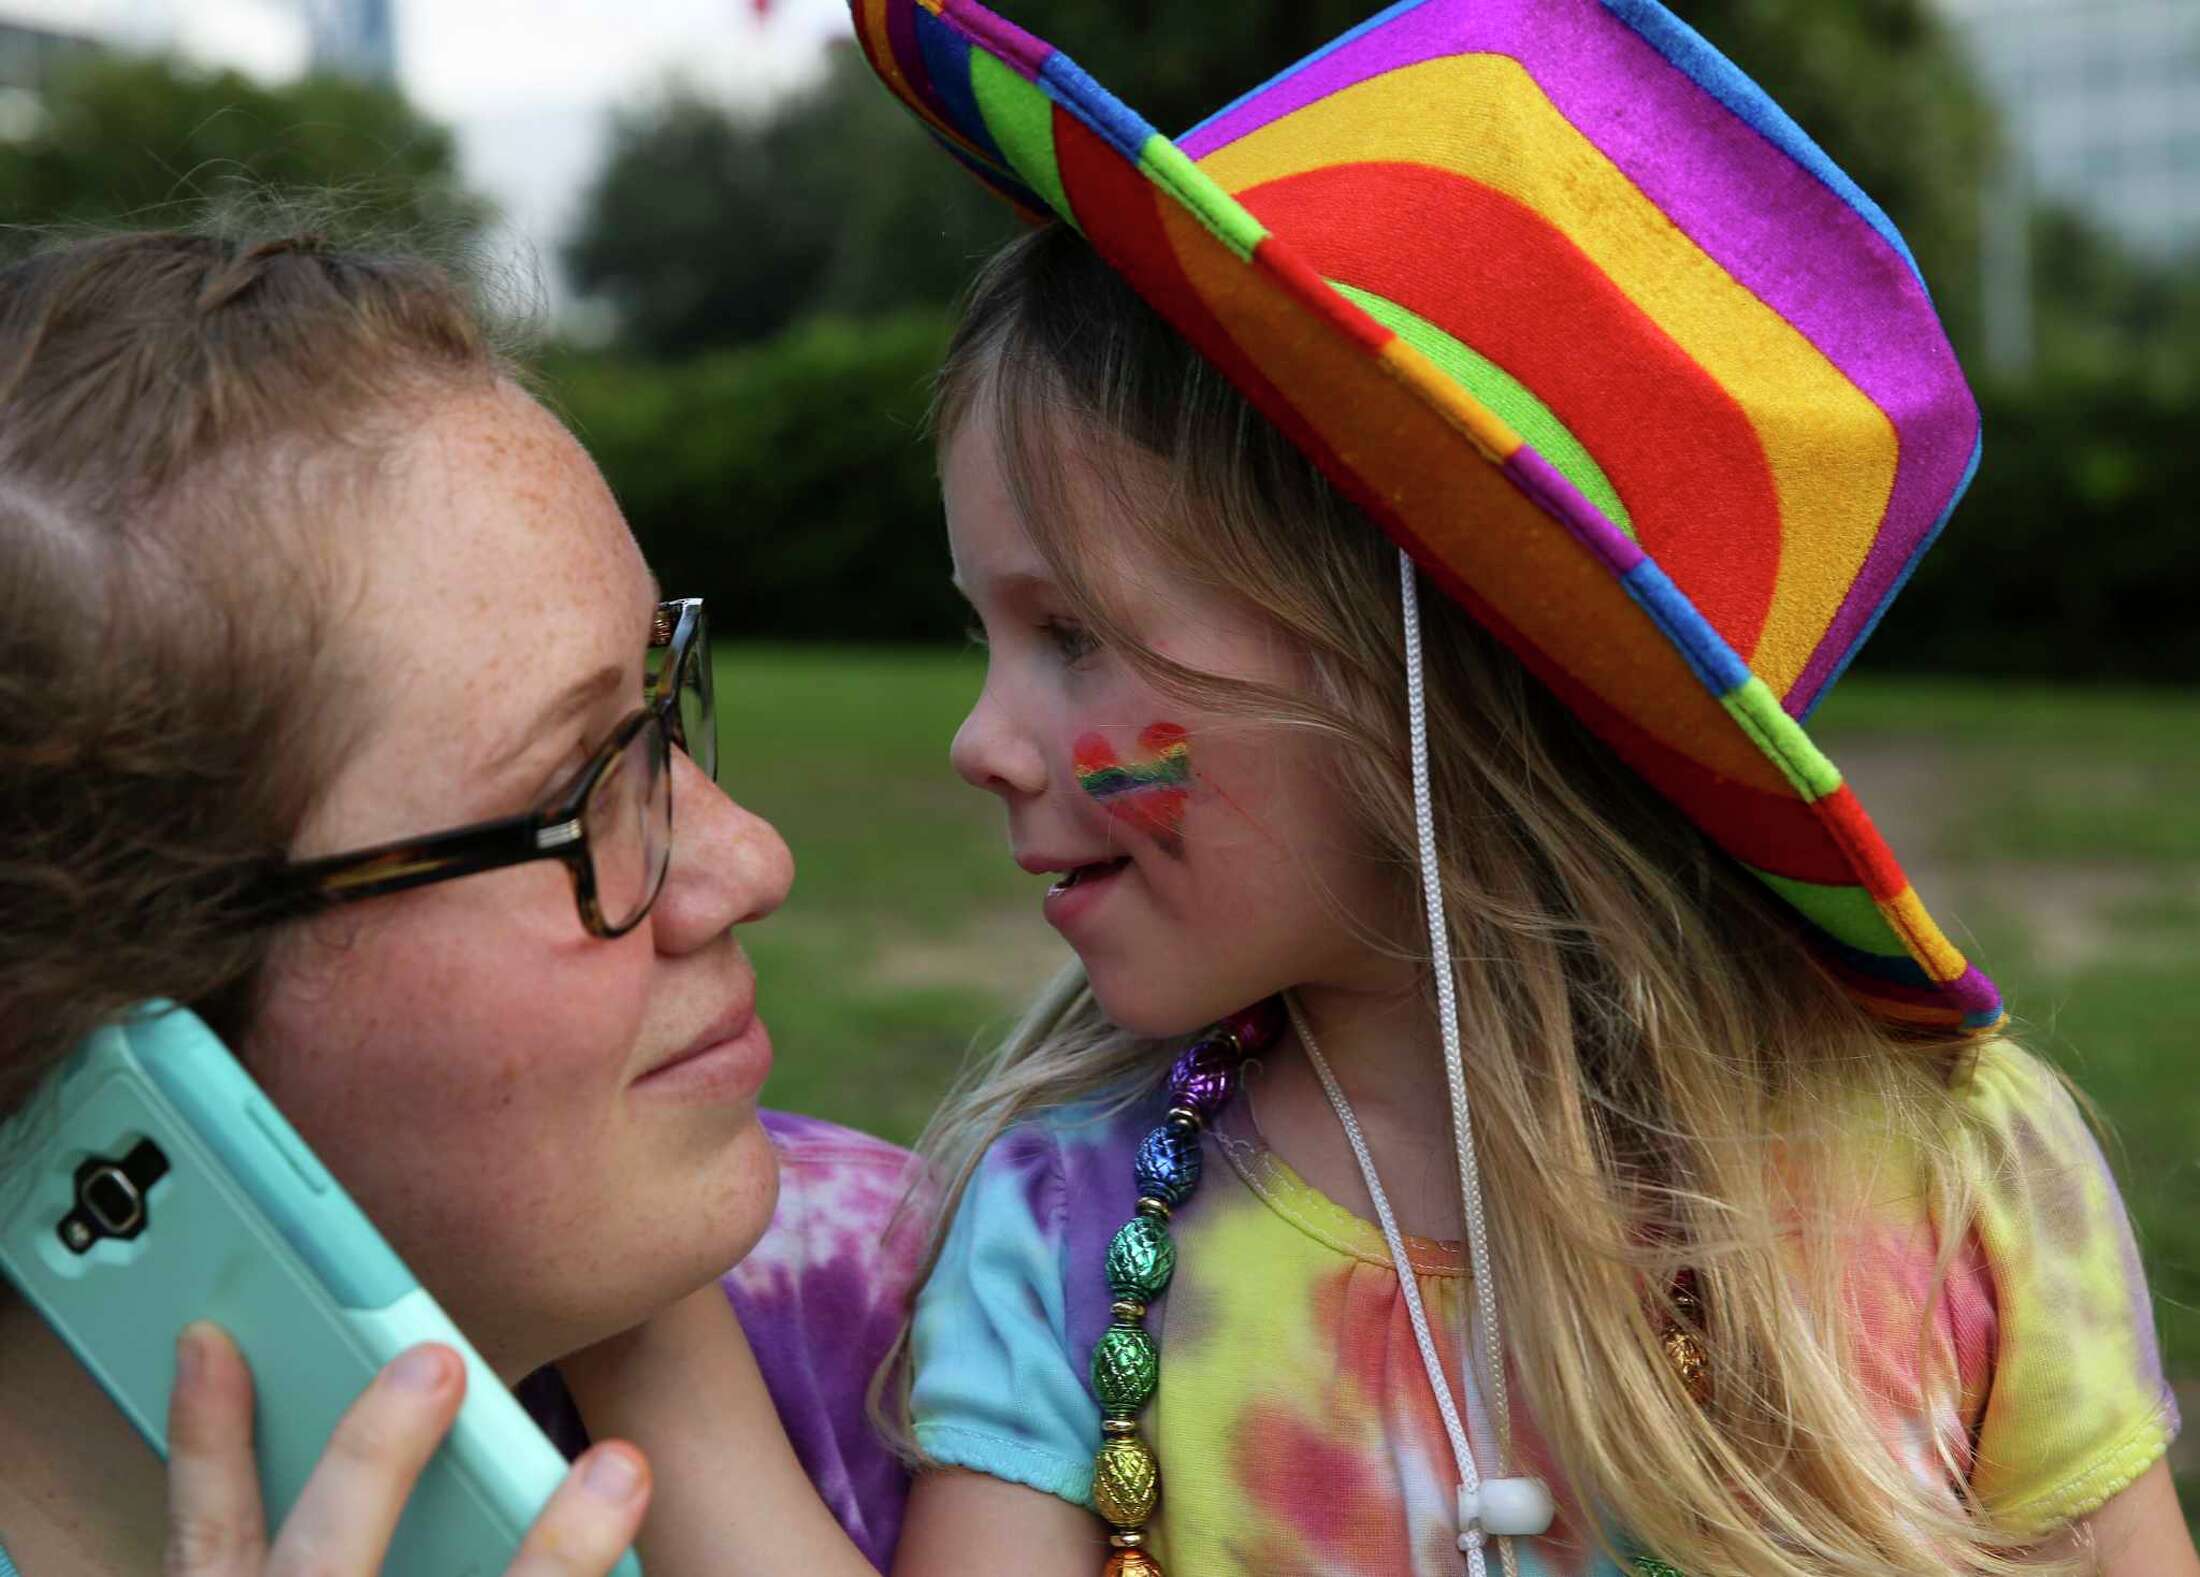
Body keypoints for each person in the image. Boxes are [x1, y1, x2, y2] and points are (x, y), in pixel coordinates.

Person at [685, 0, 2189, 1572]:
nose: (981, 740)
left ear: (1422, 663)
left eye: (1072, 632)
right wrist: (659, 1345)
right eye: (986, 631)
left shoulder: (1955, 1180)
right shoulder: (1067, 1237)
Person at [0, 225, 918, 1575]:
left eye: (659, 715)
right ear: (129, 1044)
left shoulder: (899, 1326)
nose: (752, 862)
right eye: (575, 791)